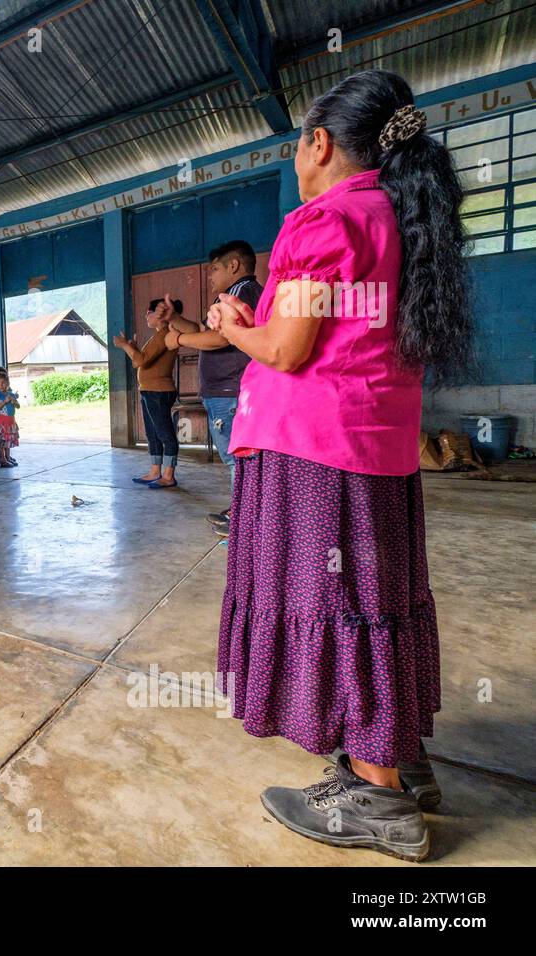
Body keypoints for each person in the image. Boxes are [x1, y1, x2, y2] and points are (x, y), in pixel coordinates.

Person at [209, 69, 473, 861]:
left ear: (319, 144)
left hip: (311, 448)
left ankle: (377, 798)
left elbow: (288, 351)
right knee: (373, 596)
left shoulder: (326, 219)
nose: (297, 157)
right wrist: (265, 324)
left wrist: (232, 326)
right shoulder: (399, 216)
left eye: (298, 143)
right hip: (374, 446)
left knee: (331, 598)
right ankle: (396, 760)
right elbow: (329, 330)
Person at [165, 241, 264, 530]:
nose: (210, 276)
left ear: (233, 266)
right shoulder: (245, 293)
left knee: (237, 461)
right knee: (241, 460)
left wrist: (178, 341)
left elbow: (221, 338)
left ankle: (244, 521)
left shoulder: (237, 293)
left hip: (230, 392)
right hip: (231, 392)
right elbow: (202, 331)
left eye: (215, 269)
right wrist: (175, 321)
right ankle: (242, 510)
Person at [116, 297, 181, 487]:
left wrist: (125, 346)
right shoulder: (157, 335)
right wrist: (133, 348)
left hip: (159, 392)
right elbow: (142, 358)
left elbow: (139, 361)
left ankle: (168, 476)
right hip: (150, 391)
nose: (146, 315)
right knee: (152, 434)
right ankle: (155, 471)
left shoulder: (164, 335)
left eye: (149, 312)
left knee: (165, 434)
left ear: (160, 315)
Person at [0, 370, 21, 469]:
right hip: (2, 421)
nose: (1, 385)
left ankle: (7, 457)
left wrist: (14, 401)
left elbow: (18, 406)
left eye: (3, 383)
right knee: (2, 441)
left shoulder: (10, 393)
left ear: (7, 383)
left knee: (8, 440)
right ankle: (2, 460)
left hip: (10, 421)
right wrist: (4, 402)